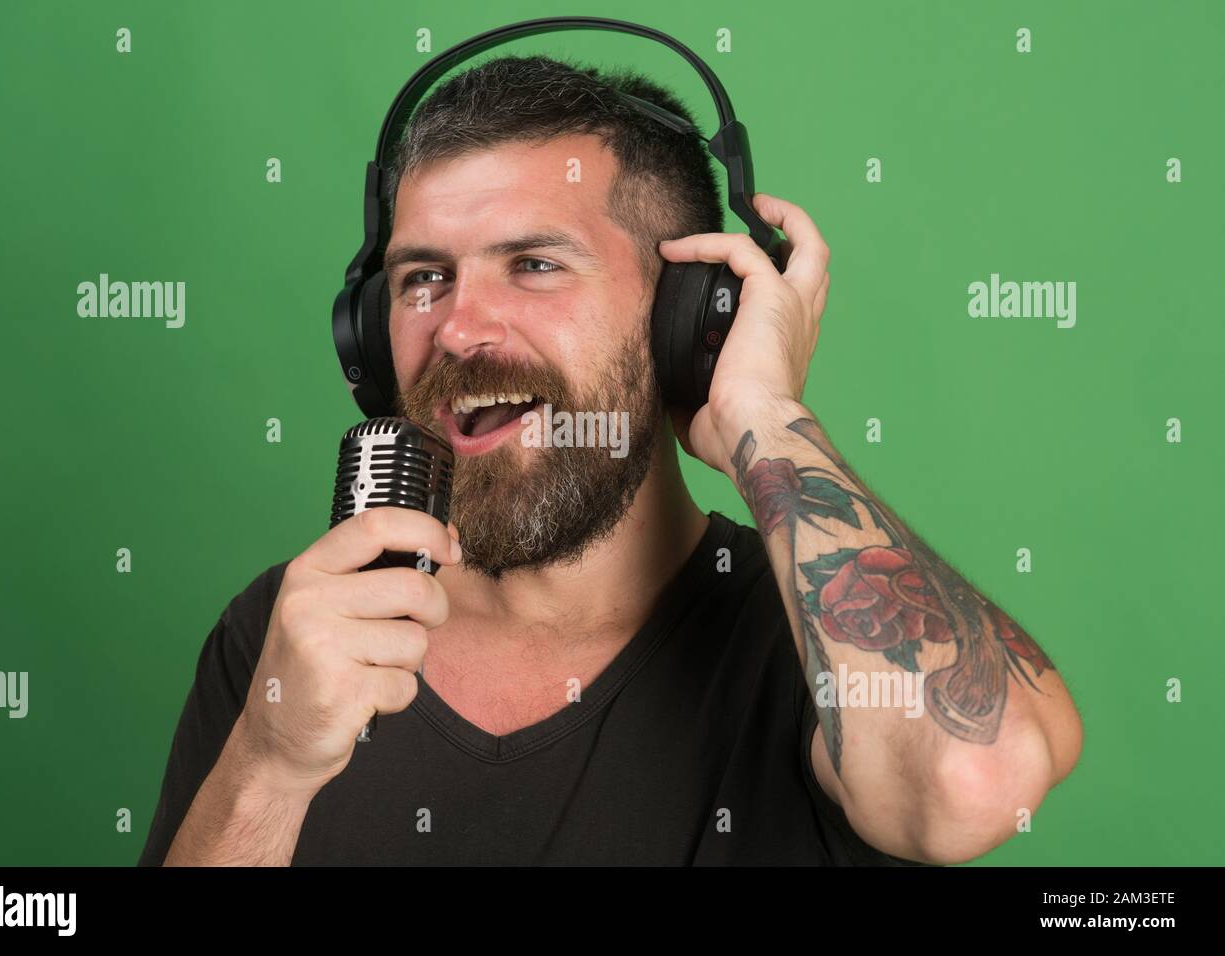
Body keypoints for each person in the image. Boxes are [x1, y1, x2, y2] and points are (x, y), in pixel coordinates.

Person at [139, 54, 1083, 866]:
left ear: (685, 319)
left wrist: (762, 408)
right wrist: (267, 764)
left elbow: (975, 780)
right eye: (423, 278)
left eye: (535, 264)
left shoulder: (814, 640)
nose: (461, 327)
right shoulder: (292, 630)